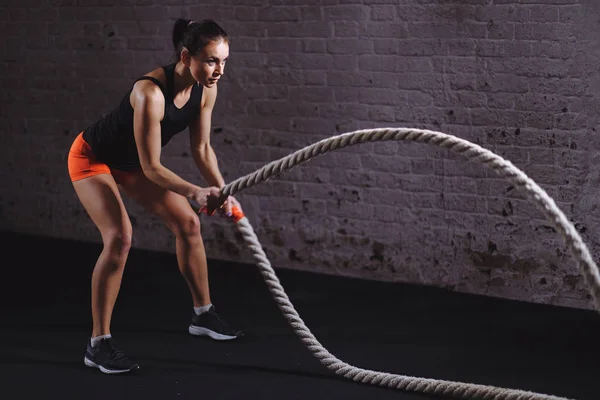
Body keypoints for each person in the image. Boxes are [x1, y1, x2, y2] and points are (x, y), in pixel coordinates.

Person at [67, 18, 243, 375]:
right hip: (93, 158)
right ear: (185, 56)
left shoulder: (206, 88)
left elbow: (203, 147)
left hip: (130, 163)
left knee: (188, 224)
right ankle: (98, 344)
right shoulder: (148, 93)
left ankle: (203, 314)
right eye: (211, 60)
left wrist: (222, 191)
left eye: (224, 60)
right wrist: (195, 191)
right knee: (119, 238)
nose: (219, 70)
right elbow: (151, 167)